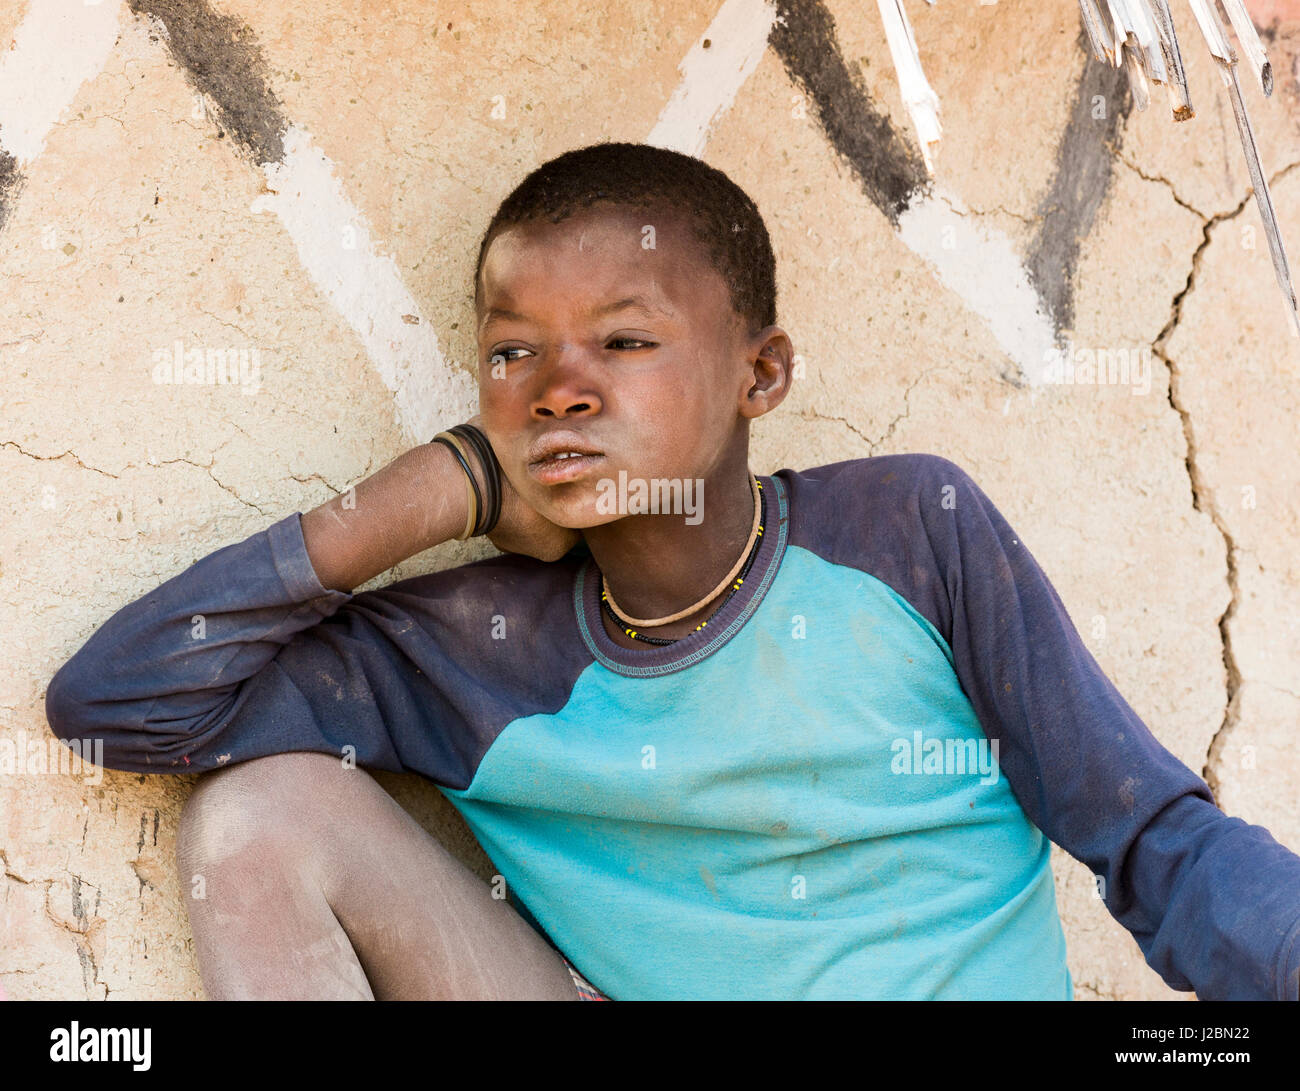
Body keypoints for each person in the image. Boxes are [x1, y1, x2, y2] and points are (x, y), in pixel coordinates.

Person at [44, 142, 1300, 1001]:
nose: (561, 386)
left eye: (626, 339)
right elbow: (117, 706)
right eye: (511, 354)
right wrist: (430, 491)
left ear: (761, 375)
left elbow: (1150, 840)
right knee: (255, 815)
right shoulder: (472, 651)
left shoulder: (906, 532)